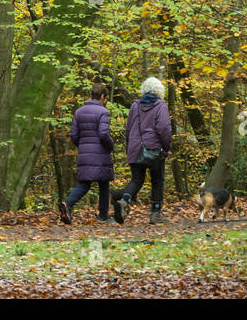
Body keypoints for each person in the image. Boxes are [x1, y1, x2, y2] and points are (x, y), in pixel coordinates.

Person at [113, 76, 172, 225]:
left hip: (135, 148)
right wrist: (167, 148)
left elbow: (128, 129)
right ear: (159, 91)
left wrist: (129, 147)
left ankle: (123, 201)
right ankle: (155, 214)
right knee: (157, 180)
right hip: (154, 149)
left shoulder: (135, 106)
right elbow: (164, 129)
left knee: (137, 180)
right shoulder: (160, 106)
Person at [59, 83, 114, 224]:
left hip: (84, 152)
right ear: (102, 96)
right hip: (100, 153)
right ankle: (103, 216)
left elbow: (74, 134)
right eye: (105, 98)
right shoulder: (103, 112)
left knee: (84, 184)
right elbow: (103, 134)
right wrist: (110, 145)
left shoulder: (79, 112)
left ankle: (68, 203)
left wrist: (82, 146)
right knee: (104, 184)